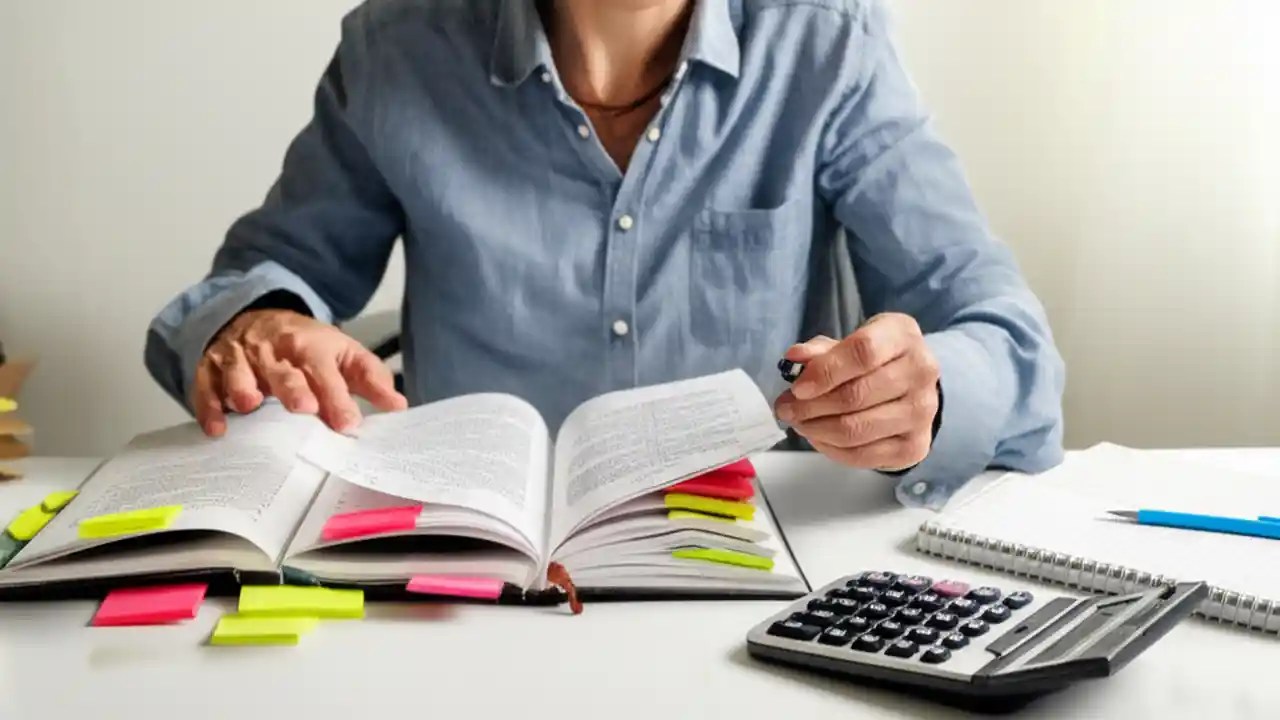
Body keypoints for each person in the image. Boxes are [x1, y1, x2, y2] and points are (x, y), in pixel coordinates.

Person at [145, 0, 1065, 510]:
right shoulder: (394, 53)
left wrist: (928, 394)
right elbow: (255, 285)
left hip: (751, 566)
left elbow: (1010, 348)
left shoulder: (830, 47)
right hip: (470, 566)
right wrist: (262, 327)